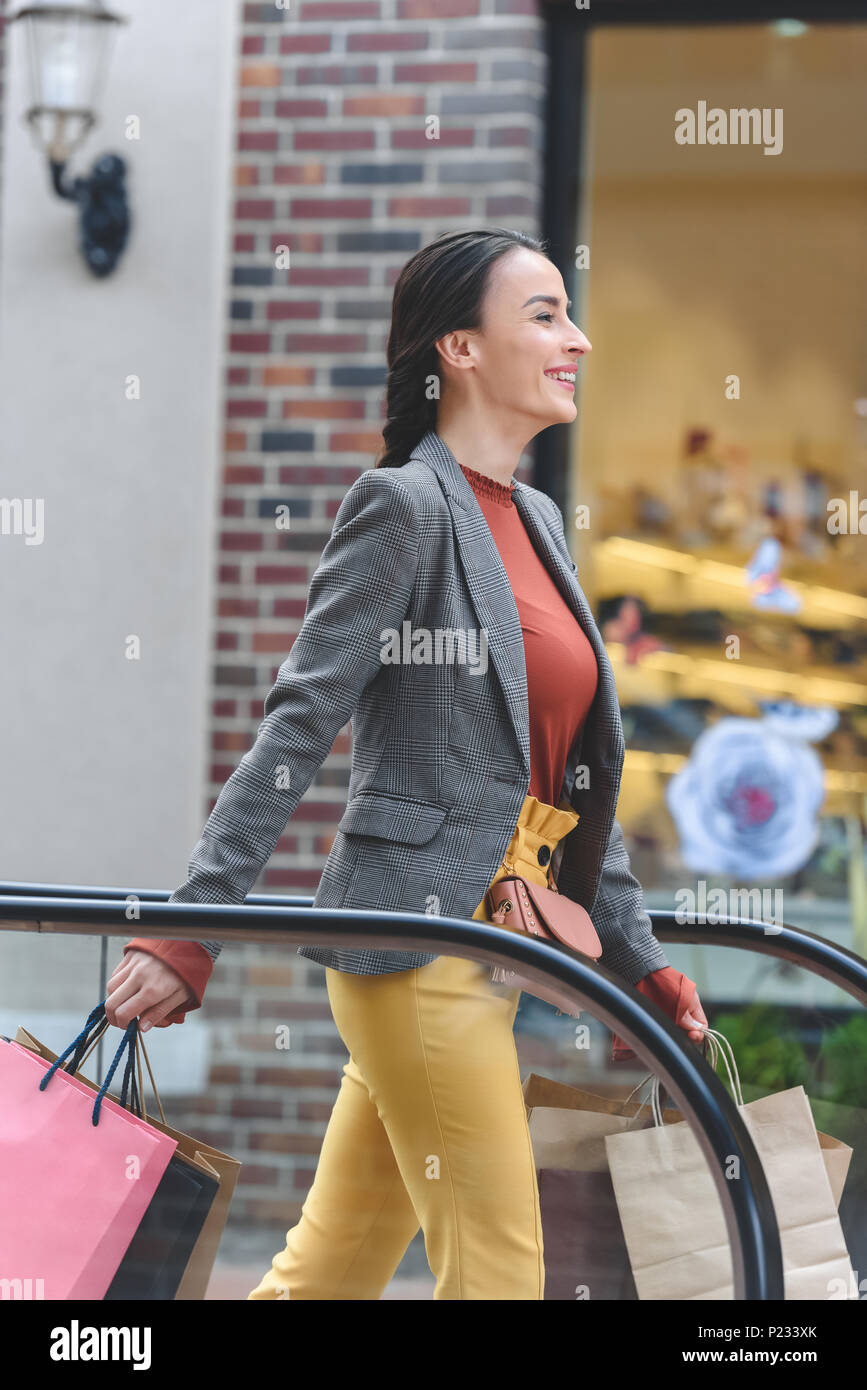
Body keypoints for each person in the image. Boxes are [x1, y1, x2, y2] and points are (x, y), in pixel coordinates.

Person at [104, 227, 707, 1300]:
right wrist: (190, 928)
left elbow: (567, 793)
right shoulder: (405, 508)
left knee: (328, 1271)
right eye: (545, 314)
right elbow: (299, 726)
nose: (578, 338)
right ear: (459, 349)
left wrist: (642, 962)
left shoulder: (534, 523)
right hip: (416, 945)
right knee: (500, 1273)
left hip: (493, 947)